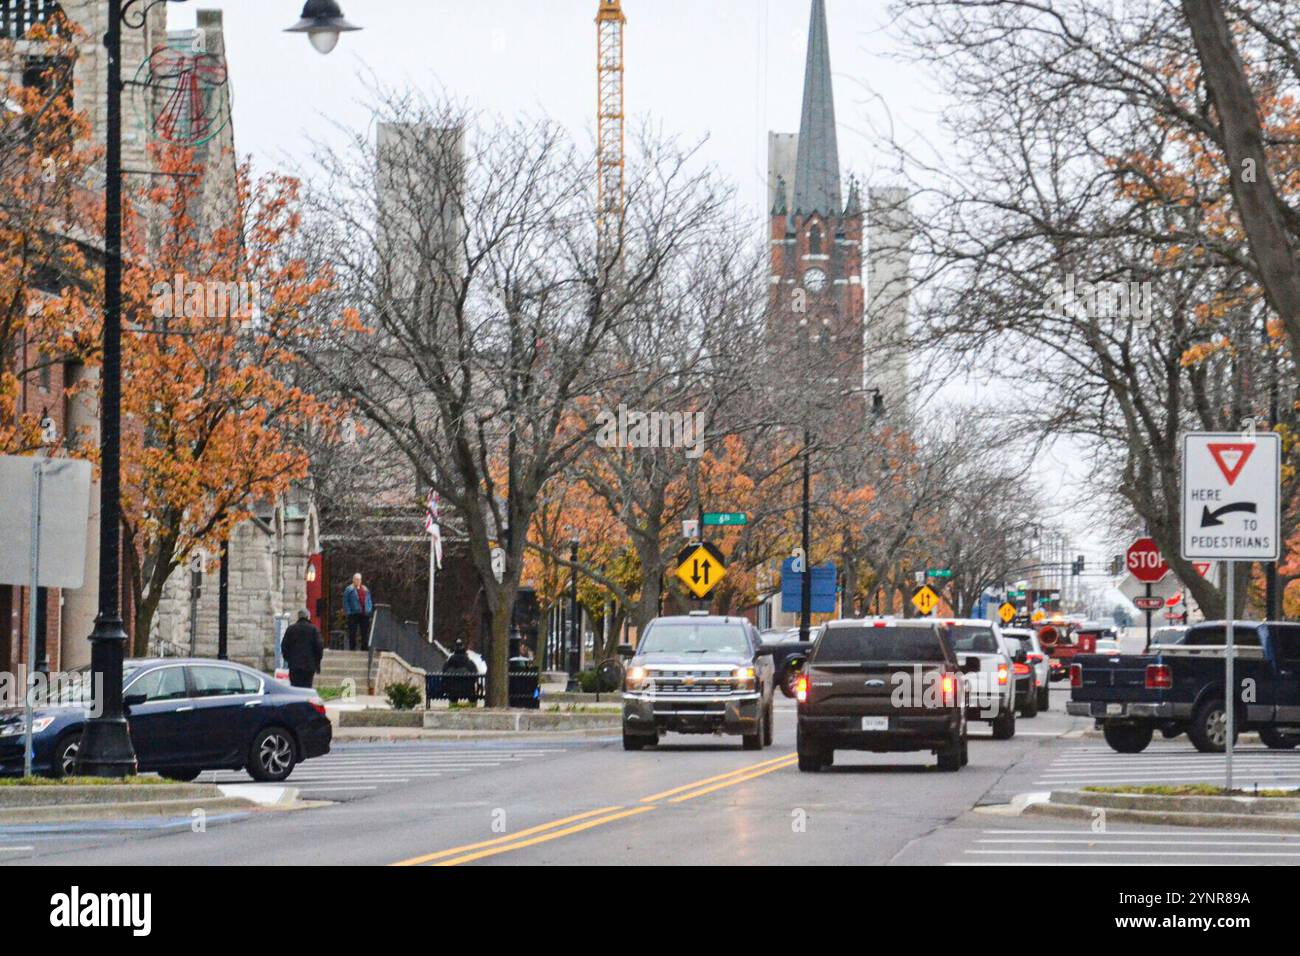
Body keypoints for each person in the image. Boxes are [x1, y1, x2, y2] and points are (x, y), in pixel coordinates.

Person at [281, 610, 323, 689]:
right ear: (308, 617)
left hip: (294, 665)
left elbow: (284, 646)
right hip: (309, 665)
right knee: (307, 687)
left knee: (294, 687)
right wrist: (317, 662)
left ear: (298, 617)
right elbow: (319, 647)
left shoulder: (291, 629)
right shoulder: (313, 630)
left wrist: (288, 659)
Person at [343, 573, 373, 651]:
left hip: (364, 613)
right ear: (353, 580)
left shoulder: (365, 589)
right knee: (353, 631)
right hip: (353, 613)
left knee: (364, 631)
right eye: (356, 579)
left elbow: (369, 600)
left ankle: (364, 647)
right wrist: (348, 612)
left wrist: (369, 609)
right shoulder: (349, 589)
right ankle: (352, 648)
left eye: (359, 579)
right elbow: (345, 601)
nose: (358, 581)